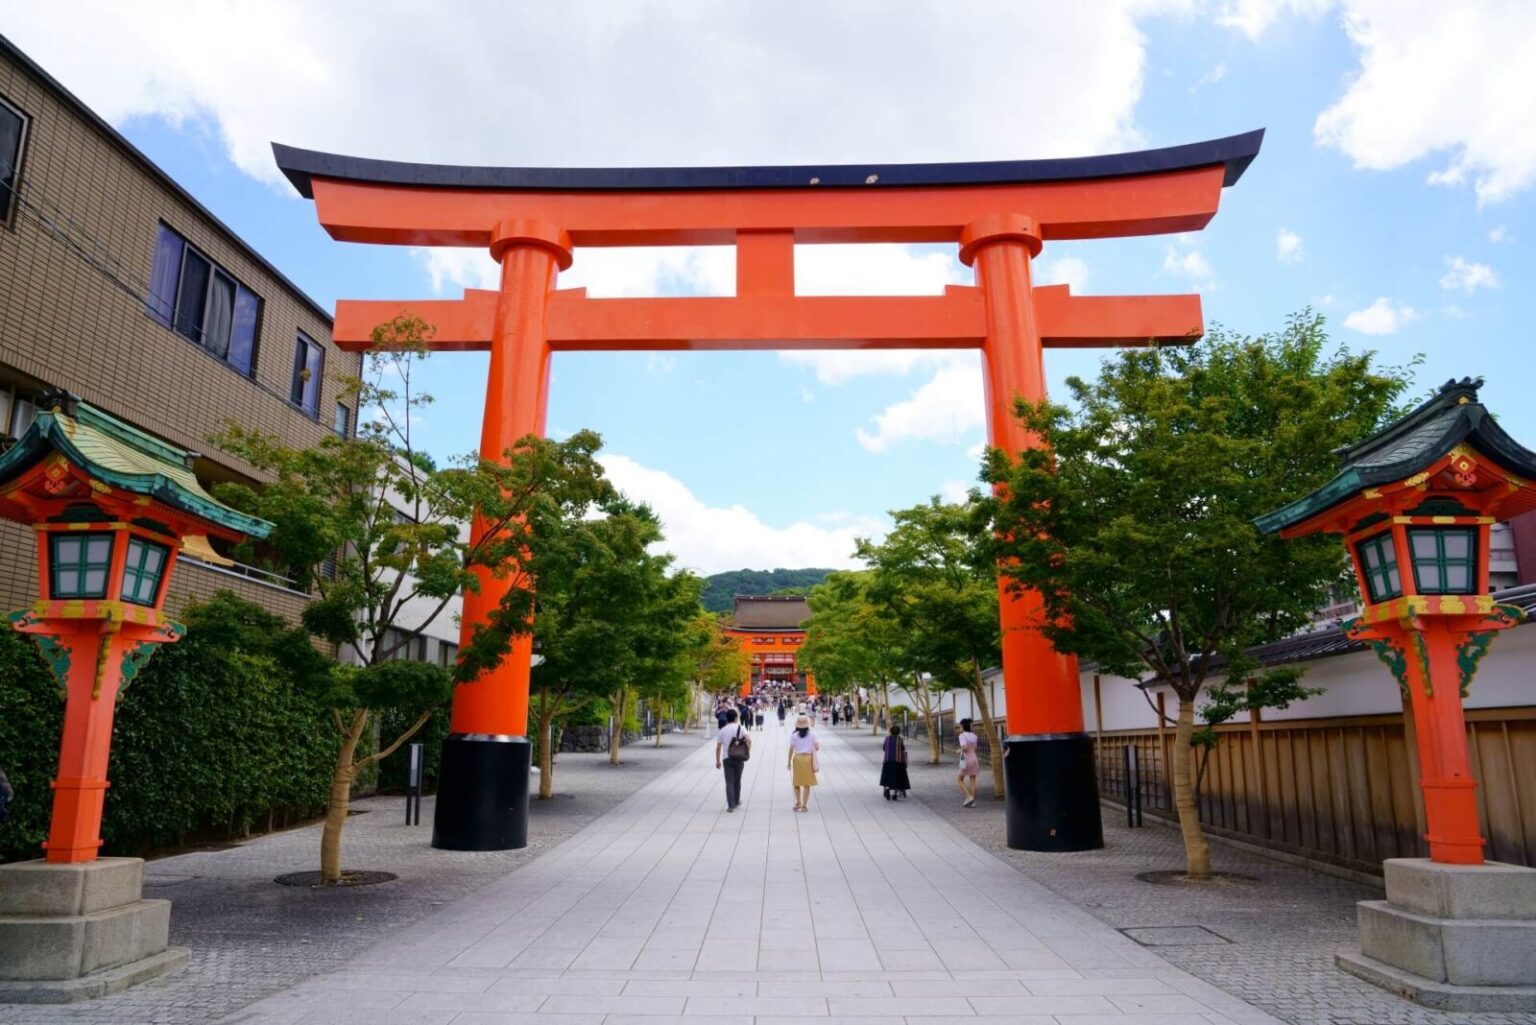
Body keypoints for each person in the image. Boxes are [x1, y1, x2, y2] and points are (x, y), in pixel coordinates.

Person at [714, 709, 750, 812]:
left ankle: (731, 805)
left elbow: (718, 747)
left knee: (729, 782)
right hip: (739, 757)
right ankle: (737, 800)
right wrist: (747, 751)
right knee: (737, 780)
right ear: (736, 718)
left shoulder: (722, 730)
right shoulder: (741, 728)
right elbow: (749, 740)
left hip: (727, 758)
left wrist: (717, 760)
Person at [786, 714, 819, 811]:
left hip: (798, 759)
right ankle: (804, 805)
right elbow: (817, 747)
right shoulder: (812, 735)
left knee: (796, 782)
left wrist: (788, 762)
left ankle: (798, 802)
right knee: (806, 784)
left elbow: (791, 750)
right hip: (808, 758)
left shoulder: (794, 735)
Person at [881, 725, 910, 801]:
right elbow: (903, 748)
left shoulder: (887, 738)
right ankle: (894, 795)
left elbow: (884, 748)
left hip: (887, 761)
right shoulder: (900, 739)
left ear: (890, 731)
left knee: (887, 777)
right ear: (898, 732)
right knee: (898, 778)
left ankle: (887, 789)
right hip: (898, 762)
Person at [956, 718, 980, 807]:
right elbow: (974, 748)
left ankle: (969, 797)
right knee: (973, 780)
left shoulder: (962, 736)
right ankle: (973, 802)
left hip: (965, 759)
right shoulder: (974, 736)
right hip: (974, 758)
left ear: (962, 726)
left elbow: (965, 748)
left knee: (959, 779)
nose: (960, 727)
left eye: (960, 726)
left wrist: (959, 750)